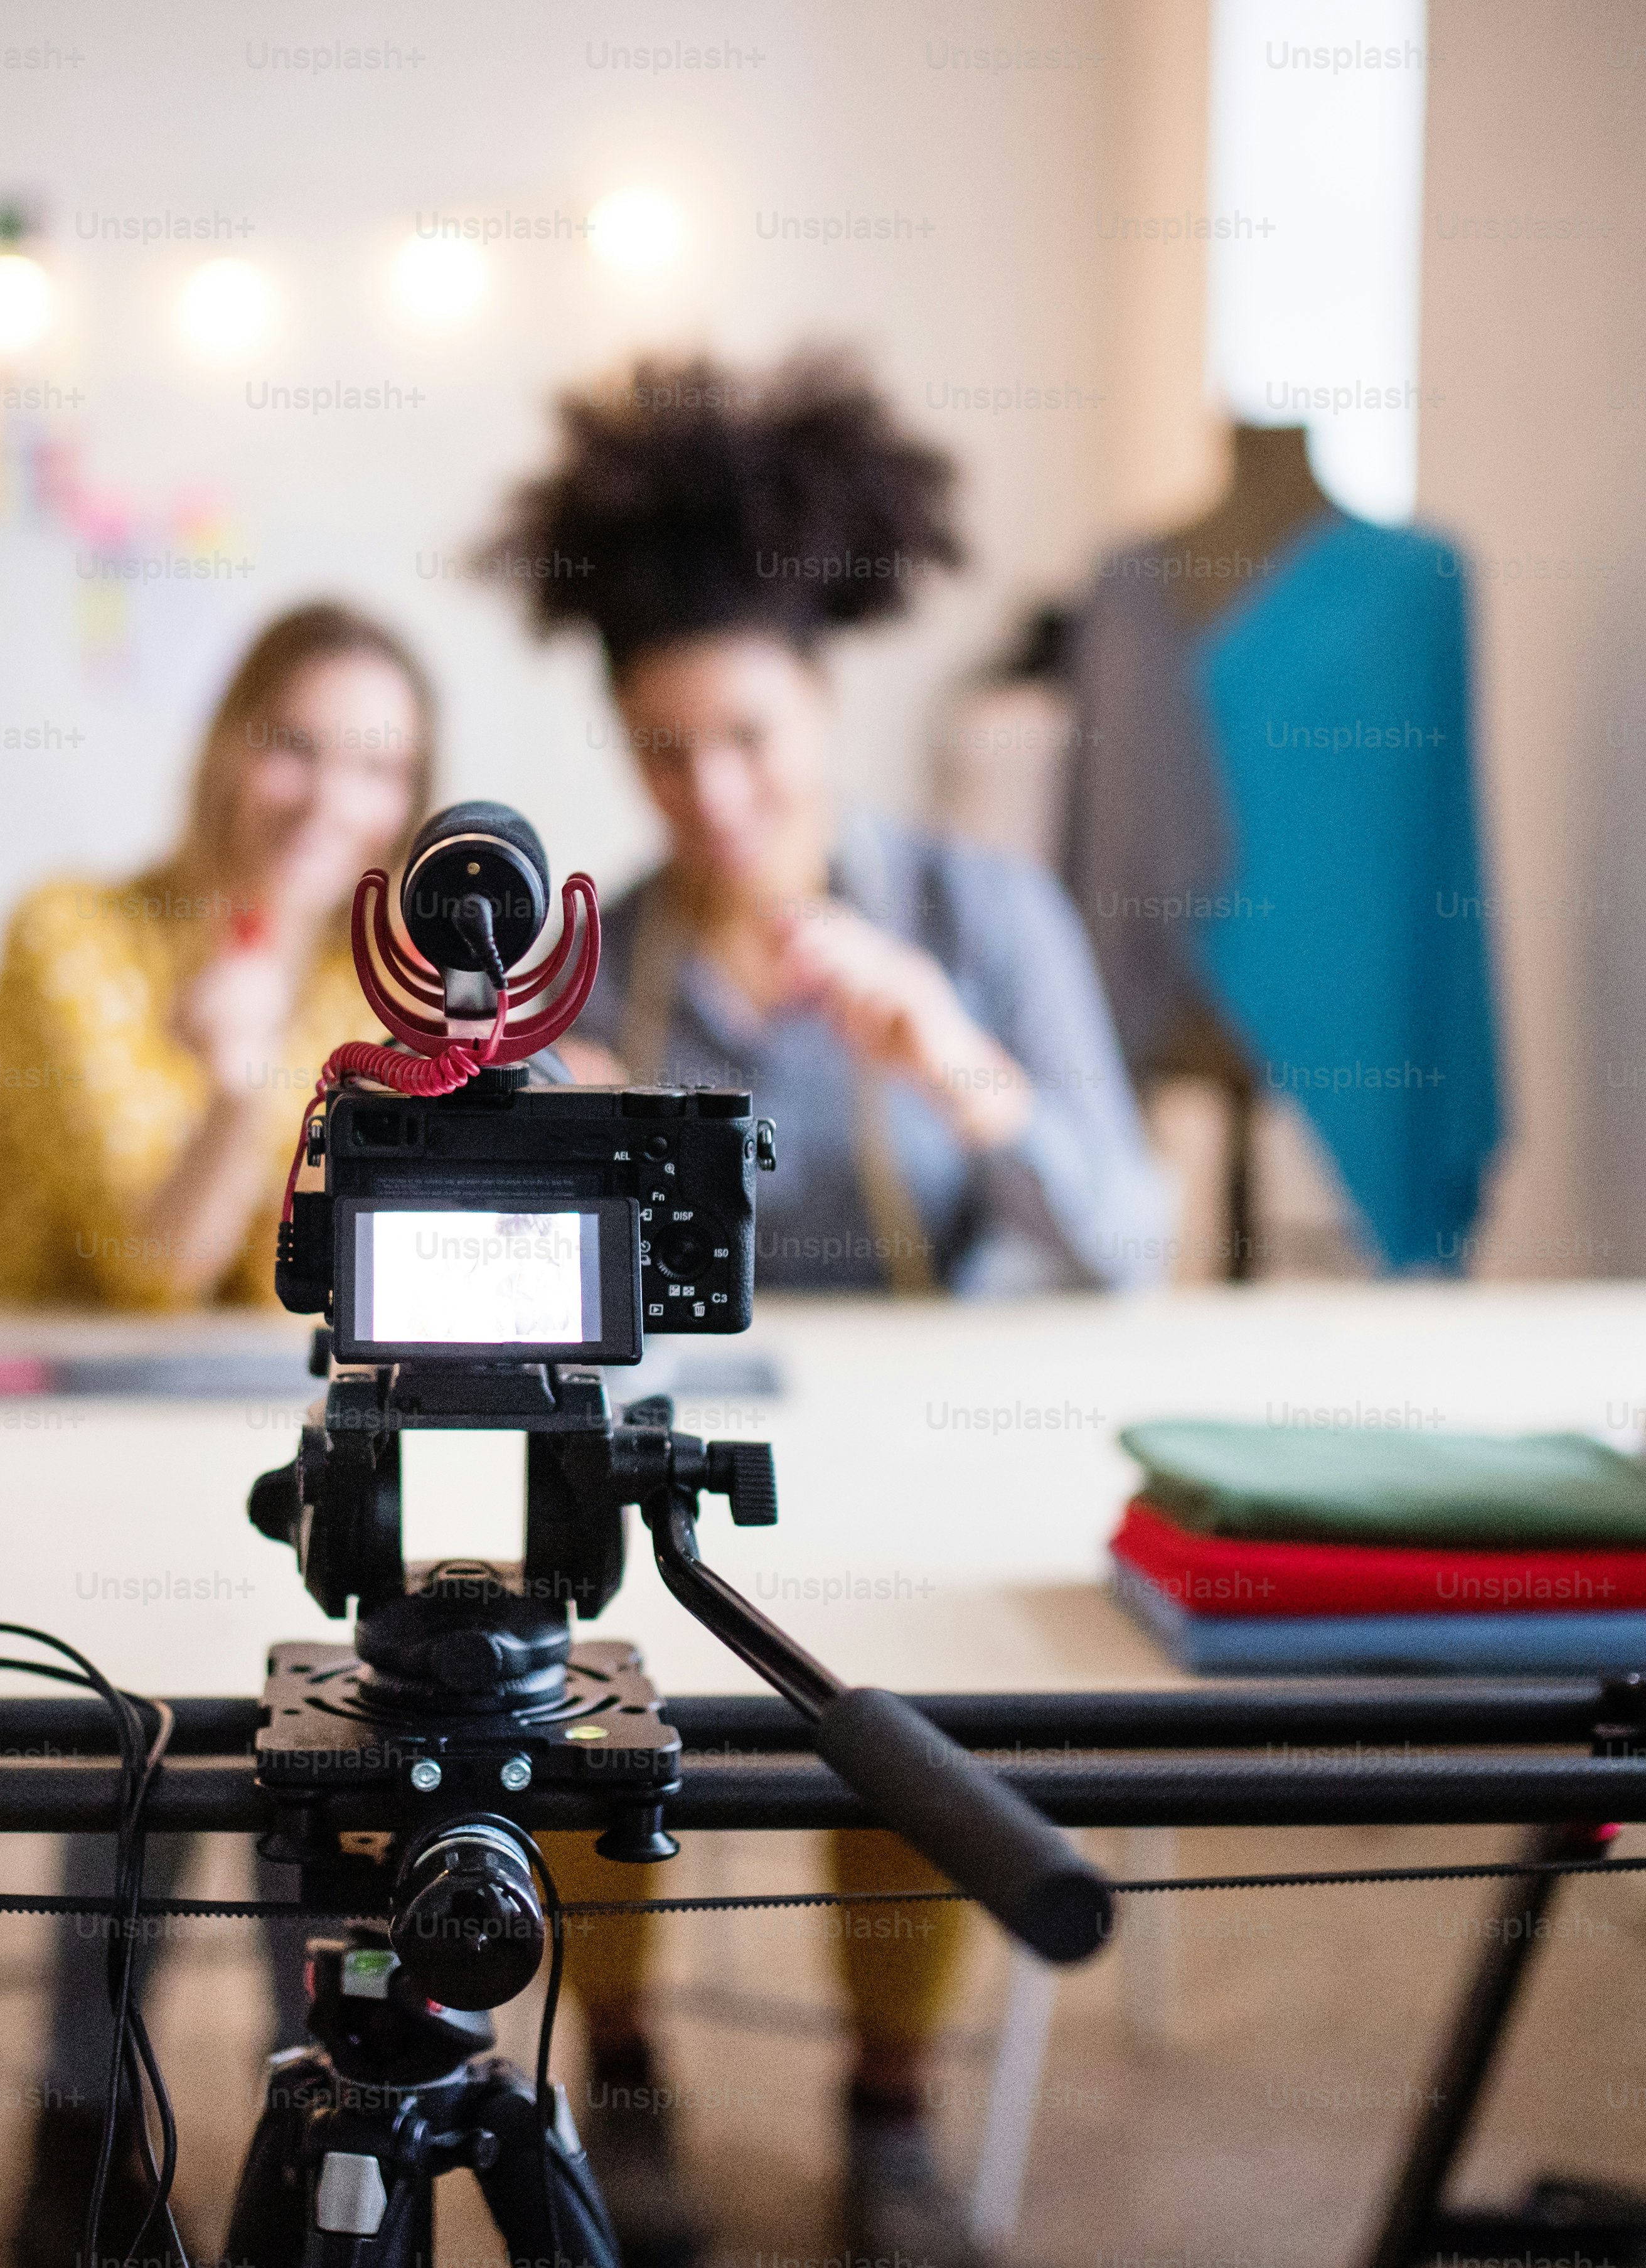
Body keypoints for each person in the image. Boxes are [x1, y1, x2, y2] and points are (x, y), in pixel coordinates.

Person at [479, 348, 1172, 2268]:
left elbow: (1125, 1239)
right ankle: (623, 2075)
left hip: (919, 1476)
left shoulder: (976, 916)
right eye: (662, 752)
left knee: (913, 1698)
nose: (712, 794)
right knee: (565, 1688)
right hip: (667, 1477)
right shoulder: (590, 959)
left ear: (828, 703)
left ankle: (889, 2104)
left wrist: (956, 1060)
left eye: (750, 737)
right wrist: (552, 1147)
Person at [0, 601, 432, 2268]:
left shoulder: (375, 992)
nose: (326, 798)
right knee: (138, 1726)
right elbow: (152, 1267)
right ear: (225, 741)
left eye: (378, 765)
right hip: (42, 1455)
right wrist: (241, 1088)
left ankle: (312, 2114)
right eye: (294, 741)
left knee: (323, 1726)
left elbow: (329, 1290)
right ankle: (85, 2140)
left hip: (255, 1463)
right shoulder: (71, 934)